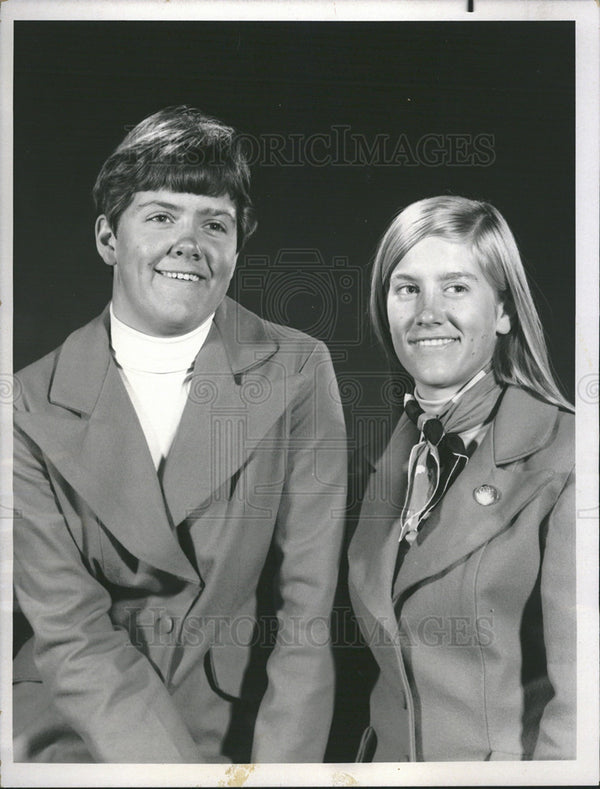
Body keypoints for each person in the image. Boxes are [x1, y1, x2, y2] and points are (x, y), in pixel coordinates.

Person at [12, 105, 347, 763]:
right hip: (67, 728)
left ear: (237, 246)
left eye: (214, 223)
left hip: (230, 728)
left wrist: (279, 779)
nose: (189, 241)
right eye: (161, 215)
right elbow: (73, 632)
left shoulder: (299, 368)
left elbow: (308, 617)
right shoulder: (27, 402)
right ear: (109, 238)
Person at [348, 195, 575, 762]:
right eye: (407, 288)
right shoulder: (391, 458)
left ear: (502, 312)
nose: (428, 312)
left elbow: (583, 712)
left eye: (455, 287)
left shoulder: (570, 457)